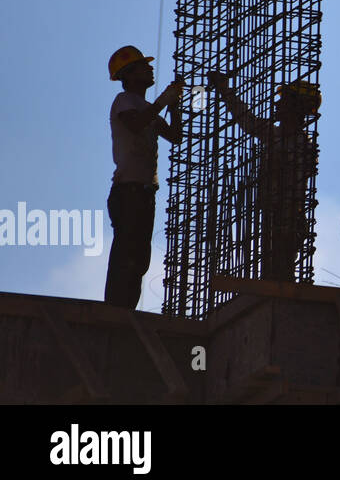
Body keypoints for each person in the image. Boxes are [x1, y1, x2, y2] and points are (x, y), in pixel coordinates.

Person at [208, 72, 319, 282]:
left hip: (287, 217)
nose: (277, 105)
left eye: (284, 101)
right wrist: (225, 91)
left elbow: (294, 187)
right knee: (270, 269)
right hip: (274, 212)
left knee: (279, 272)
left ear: (296, 108)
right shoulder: (276, 135)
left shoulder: (302, 145)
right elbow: (247, 120)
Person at [105, 45, 183, 308]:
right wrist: (163, 101)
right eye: (143, 66)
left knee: (139, 258)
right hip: (128, 191)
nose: (150, 69)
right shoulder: (124, 101)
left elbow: (175, 136)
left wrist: (174, 105)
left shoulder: (147, 107)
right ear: (128, 75)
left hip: (145, 192)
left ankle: (126, 310)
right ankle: (116, 308)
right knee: (126, 254)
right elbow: (136, 124)